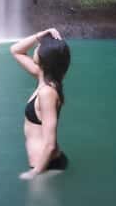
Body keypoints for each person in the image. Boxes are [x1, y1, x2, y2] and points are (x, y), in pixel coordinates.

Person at [11, 27, 71, 180]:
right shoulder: (42, 76)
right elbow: (15, 50)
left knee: (39, 198)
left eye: (39, 46)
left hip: (46, 167)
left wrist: (34, 174)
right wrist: (40, 35)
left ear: (45, 57)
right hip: (43, 165)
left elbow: (50, 144)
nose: (36, 47)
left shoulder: (47, 93)